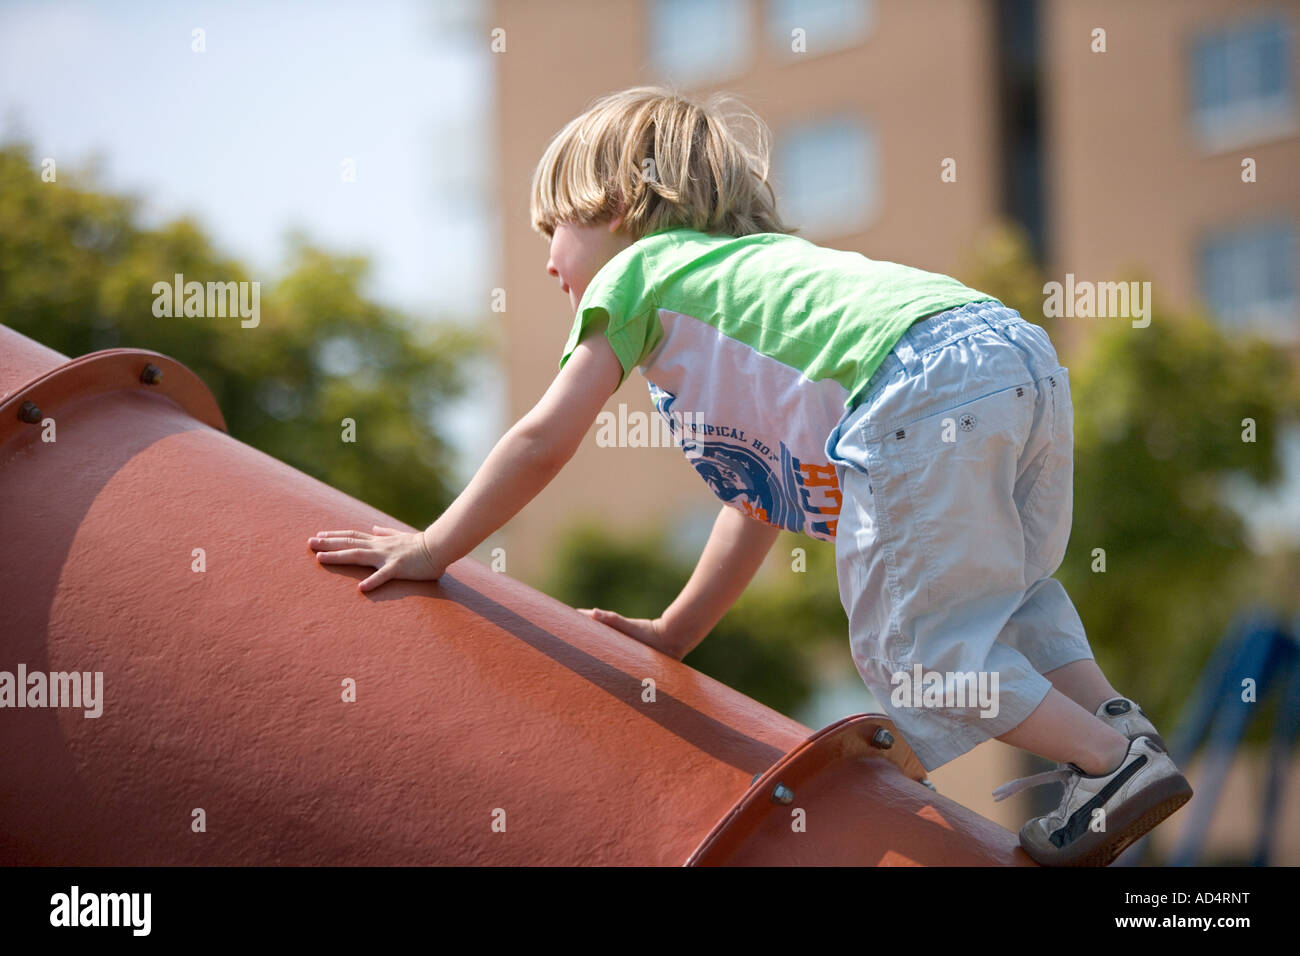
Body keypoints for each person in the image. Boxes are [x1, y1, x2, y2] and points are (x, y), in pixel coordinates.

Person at [308, 86, 1192, 866]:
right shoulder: (750, 292)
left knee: (914, 652)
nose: (548, 261)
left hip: (915, 380)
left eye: (555, 229)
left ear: (617, 208)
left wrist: (436, 546)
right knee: (1013, 600)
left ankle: (1109, 767)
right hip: (1011, 357)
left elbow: (544, 437)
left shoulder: (640, 275)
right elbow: (755, 499)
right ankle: (1116, 727)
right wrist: (674, 635)